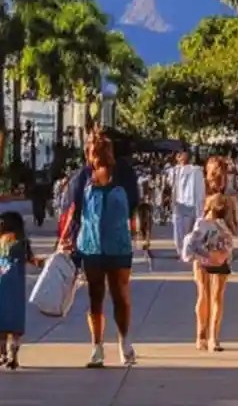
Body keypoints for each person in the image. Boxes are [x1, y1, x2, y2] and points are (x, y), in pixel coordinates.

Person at [60, 131, 140, 368]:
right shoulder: (116, 175)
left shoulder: (88, 176)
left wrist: (67, 239)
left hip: (100, 245)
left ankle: (103, 347)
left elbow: (74, 213)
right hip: (106, 245)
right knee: (114, 296)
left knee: (104, 297)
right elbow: (133, 205)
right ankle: (117, 346)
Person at [0, 210, 44, 369]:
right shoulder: (22, 241)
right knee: (15, 323)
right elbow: (32, 260)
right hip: (16, 287)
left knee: (0, 321)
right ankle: (14, 355)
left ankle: (1, 353)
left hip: (0, 286)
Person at [182, 193, 237, 351]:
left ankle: (202, 337)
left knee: (203, 294)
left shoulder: (201, 222)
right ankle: (213, 337)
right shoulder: (226, 222)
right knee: (217, 297)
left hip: (202, 259)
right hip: (221, 257)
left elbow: (192, 243)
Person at [166, 149, 205, 259]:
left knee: (190, 232)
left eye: (182, 153)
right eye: (178, 154)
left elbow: (200, 190)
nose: (180, 156)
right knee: (178, 234)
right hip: (179, 205)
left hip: (191, 205)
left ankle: (188, 253)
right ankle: (183, 252)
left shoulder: (196, 171)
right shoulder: (174, 171)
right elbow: (169, 184)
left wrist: (200, 210)